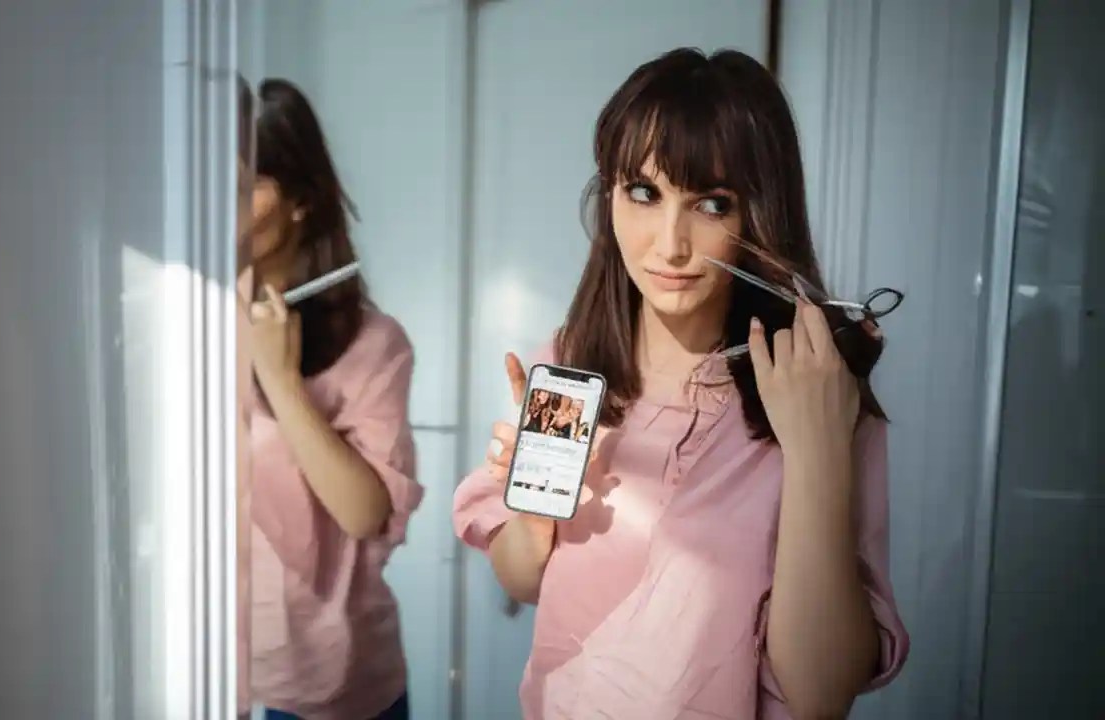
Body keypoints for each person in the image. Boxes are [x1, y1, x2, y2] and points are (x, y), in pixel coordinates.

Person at [452, 48, 909, 719]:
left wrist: (815, 453)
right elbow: (525, 580)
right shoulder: (574, 362)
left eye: (711, 203)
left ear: (761, 213)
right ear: (608, 196)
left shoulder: (819, 394)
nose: (670, 244)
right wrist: (535, 511)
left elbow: (820, 697)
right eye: (643, 193)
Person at [236, 76, 420, 720]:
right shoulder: (191, 323)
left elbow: (365, 514)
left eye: (244, 186)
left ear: (301, 201)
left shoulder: (373, 343)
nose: (222, 206)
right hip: (214, 668)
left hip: (331, 685)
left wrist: (281, 381)